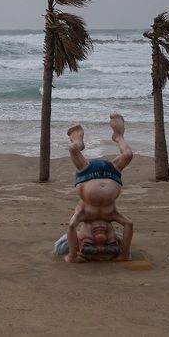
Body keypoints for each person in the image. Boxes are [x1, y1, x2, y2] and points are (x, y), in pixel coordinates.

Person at [57, 113, 134, 263]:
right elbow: (128, 224)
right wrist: (124, 254)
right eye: (110, 243)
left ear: (80, 239)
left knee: (73, 148)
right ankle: (118, 136)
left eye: (89, 245)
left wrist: (73, 254)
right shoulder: (111, 214)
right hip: (112, 173)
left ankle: (78, 140)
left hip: (87, 173)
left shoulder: (84, 214)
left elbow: (72, 226)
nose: (101, 239)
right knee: (129, 154)